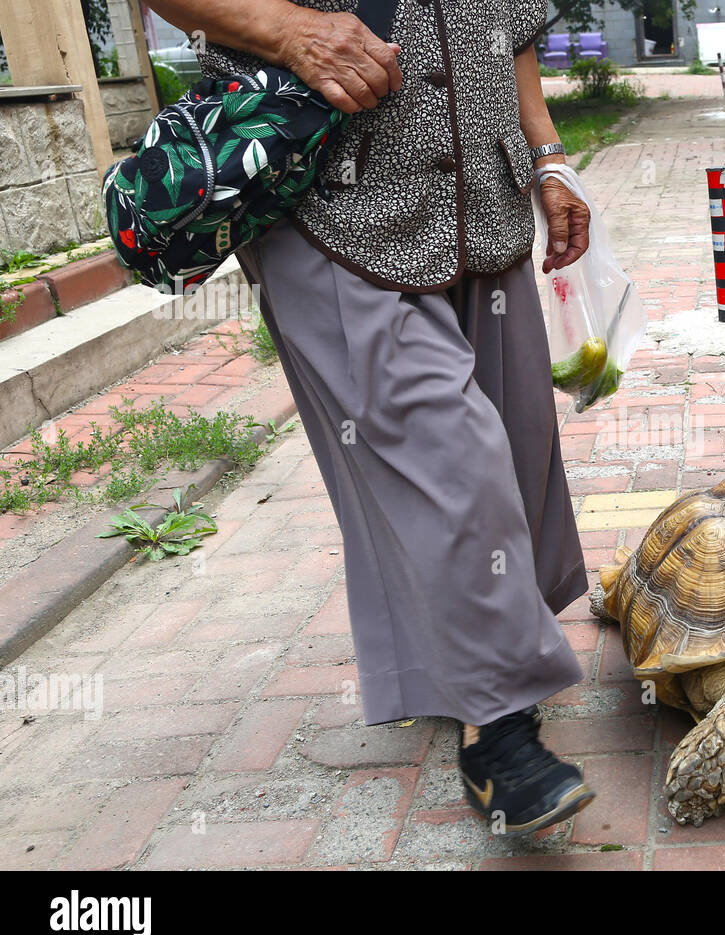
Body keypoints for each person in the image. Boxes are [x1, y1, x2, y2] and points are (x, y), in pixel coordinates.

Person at [147, 0, 597, 835]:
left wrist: (548, 157)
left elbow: (514, 20)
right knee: (450, 460)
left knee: (518, 449)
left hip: (482, 199)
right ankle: (497, 731)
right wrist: (285, 28)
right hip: (334, 201)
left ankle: (466, 655)